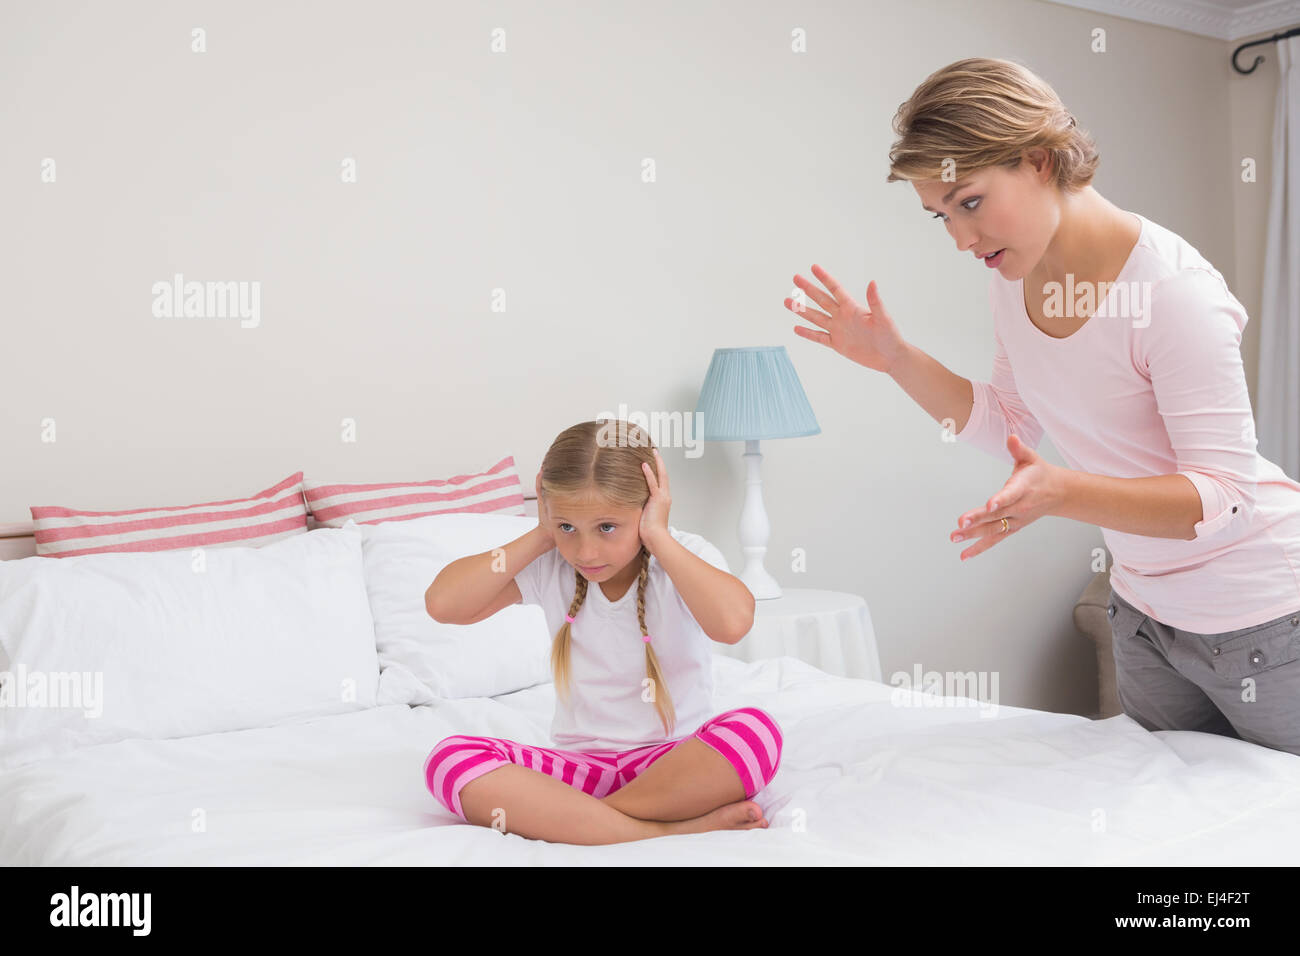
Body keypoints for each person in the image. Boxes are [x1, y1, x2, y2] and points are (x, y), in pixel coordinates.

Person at [785, 57, 1300, 755]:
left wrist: (1061, 493)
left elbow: (1226, 495)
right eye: (940, 217)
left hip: (1265, 620)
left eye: (969, 202)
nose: (961, 240)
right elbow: (1009, 423)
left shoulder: (1174, 294)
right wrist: (897, 361)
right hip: (1146, 620)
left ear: (1039, 160)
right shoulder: (1015, 275)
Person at [423, 419, 782, 844]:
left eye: (607, 527)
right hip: (579, 770)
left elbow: (733, 624)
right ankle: (671, 829)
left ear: (649, 507)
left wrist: (658, 536)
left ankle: (574, 822)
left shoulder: (682, 558)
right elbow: (444, 605)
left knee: (755, 733)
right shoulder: (550, 563)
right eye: (568, 527)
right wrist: (542, 534)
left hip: (673, 768)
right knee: (449, 760)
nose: (585, 551)